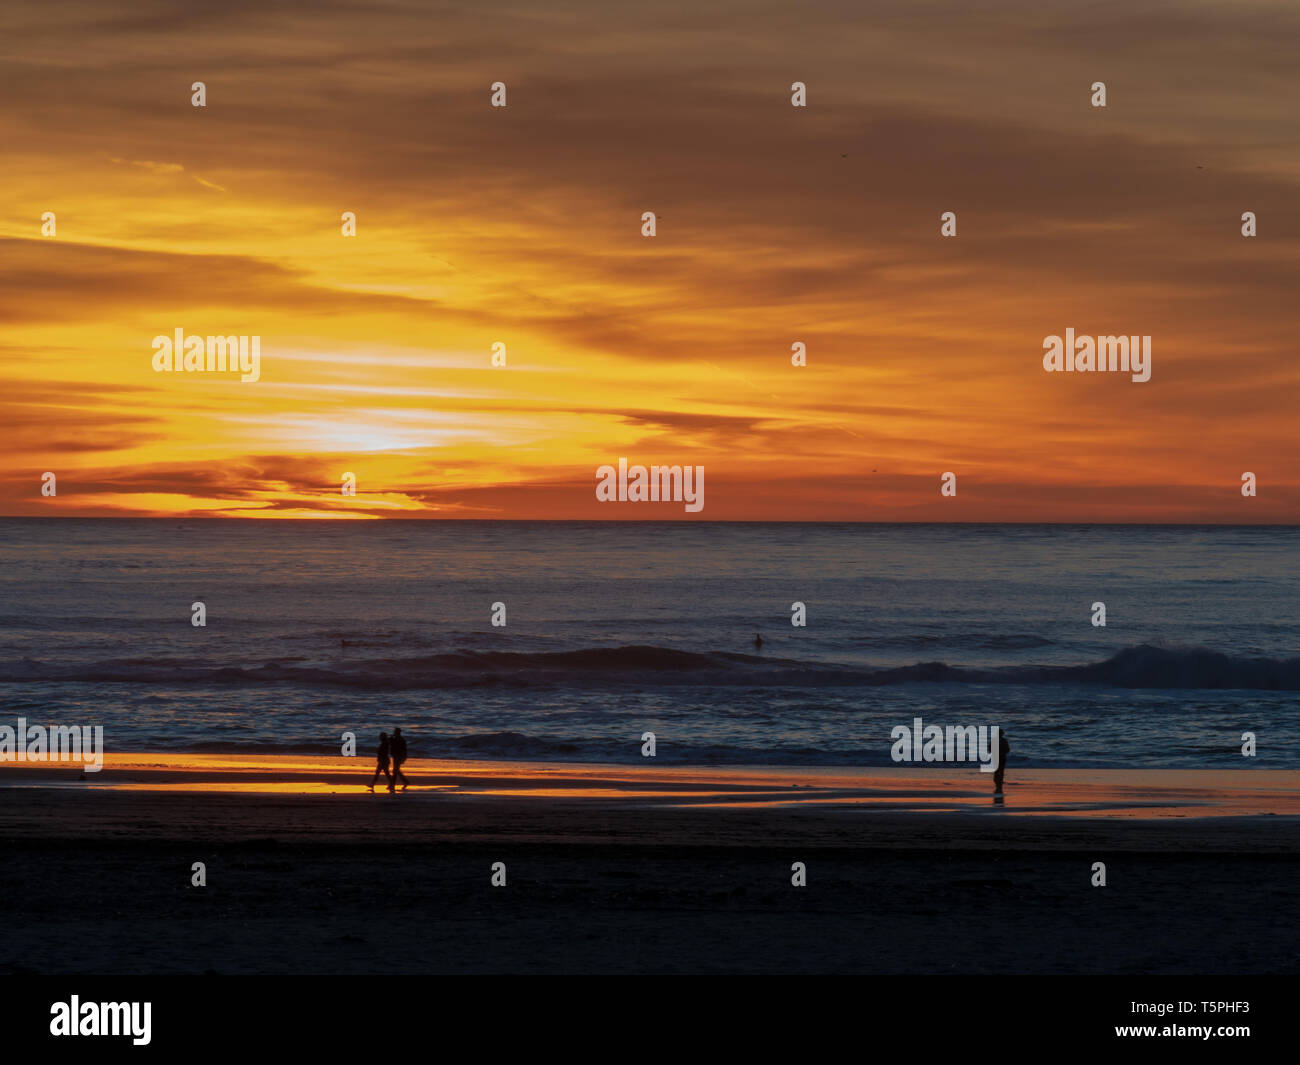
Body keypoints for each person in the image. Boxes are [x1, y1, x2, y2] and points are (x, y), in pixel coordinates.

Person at [390, 727, 409, 792]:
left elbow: (404, 750)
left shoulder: (400, 739)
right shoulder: (397, 739)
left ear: (397, 732)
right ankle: (405, 781)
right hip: (396, 756)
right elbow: (389, 742)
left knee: (395, 771)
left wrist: (404, 758)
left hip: (399, 757)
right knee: (396, 770)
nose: (394, 732)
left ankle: (392, 785)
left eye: (395, 732)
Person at [993, 729, 1010, 796]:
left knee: (996, 770)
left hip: (996, 757)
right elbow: (1008, 750)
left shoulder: (994, 740)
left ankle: (997, 781)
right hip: (1002, 757)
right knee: (1001, 770)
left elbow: (990, 749)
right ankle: (999, 782)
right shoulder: (1004, 741)